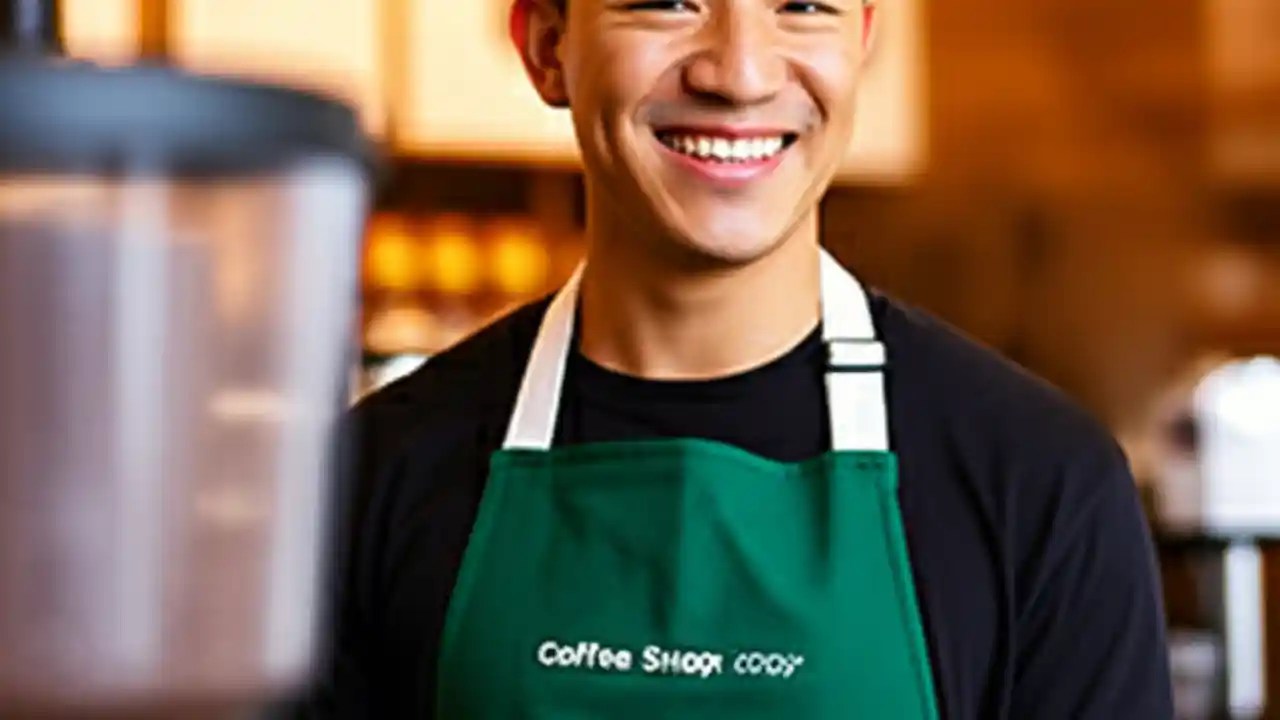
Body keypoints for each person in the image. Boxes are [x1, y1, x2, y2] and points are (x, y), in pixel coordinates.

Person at [304, 0, 1174, 717]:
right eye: (666, 5)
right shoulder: (369, 480)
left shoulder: (1040, 487)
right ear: (546, 44)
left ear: (861, 39)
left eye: (802, 7)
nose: (740, 72)